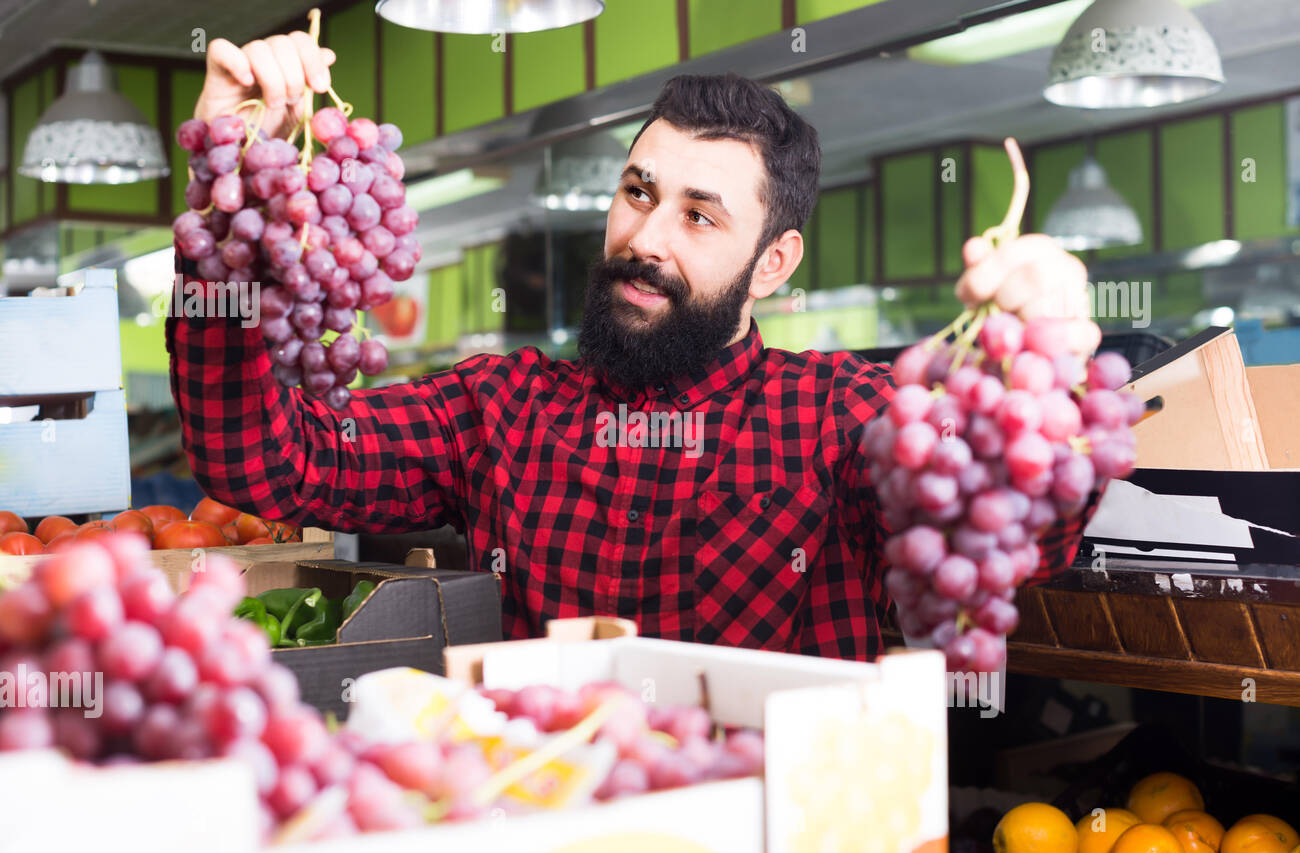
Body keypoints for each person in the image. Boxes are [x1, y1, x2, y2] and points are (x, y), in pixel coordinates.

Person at [168, 32, 1104, 658]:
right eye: (639, 192)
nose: (647, 239)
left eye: (701, 216)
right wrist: (221, 201)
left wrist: (1047, 365)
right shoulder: (500, 405)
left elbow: (1019, 547)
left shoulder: (843, 415)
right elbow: (266, 463)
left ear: (773, 263)